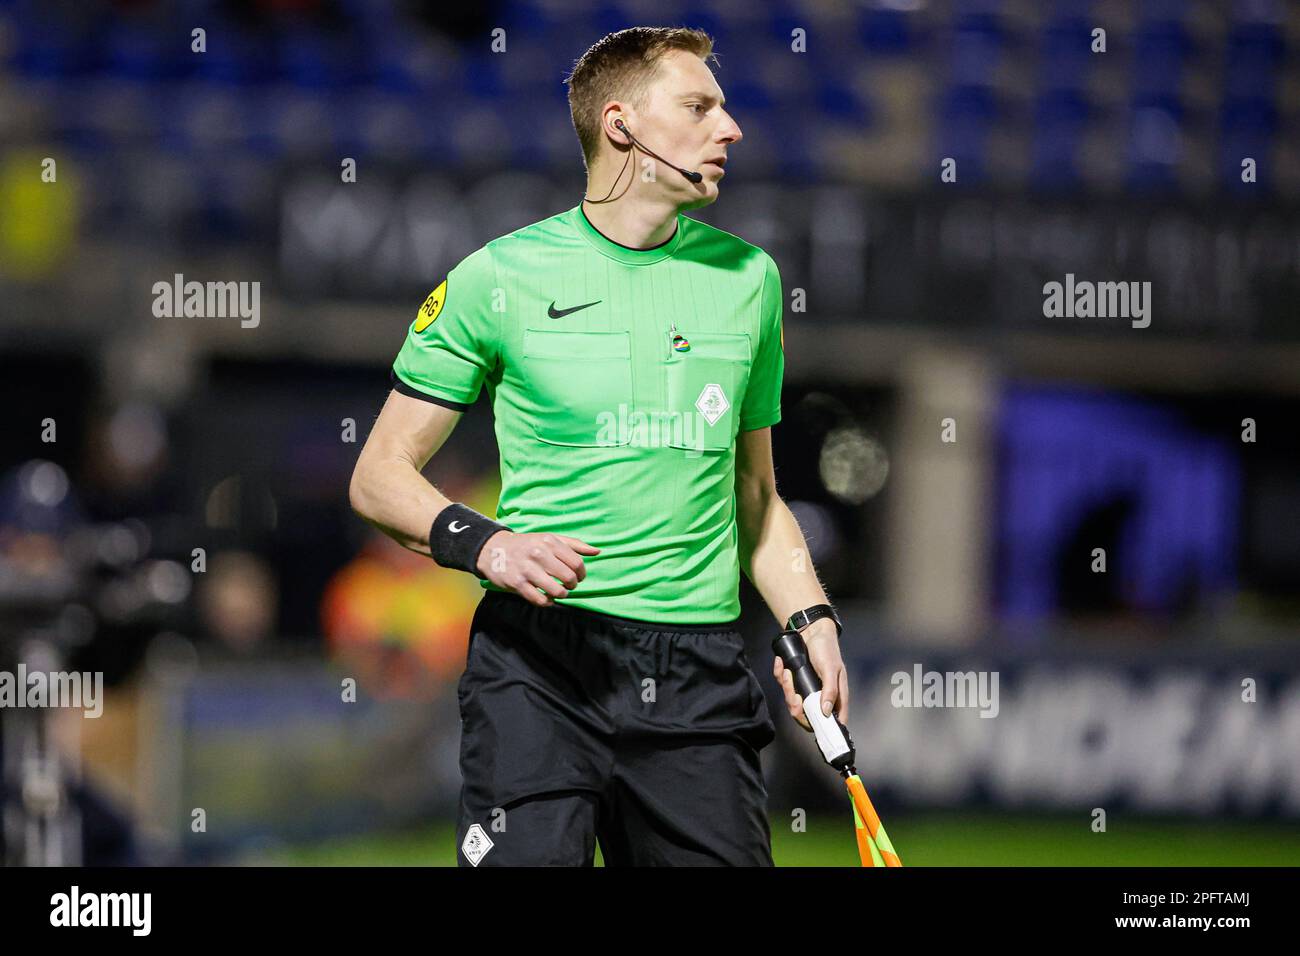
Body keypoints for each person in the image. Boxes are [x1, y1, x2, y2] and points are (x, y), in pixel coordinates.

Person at [350, 26, 849, 866]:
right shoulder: (497, 278)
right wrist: (490, 545)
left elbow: (756, 497)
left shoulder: (752, 282)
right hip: (540, 667)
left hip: (697, 674)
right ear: (622, 125)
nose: (731, 128)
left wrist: (813, 617)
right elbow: (378, 476)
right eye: (699, 106)